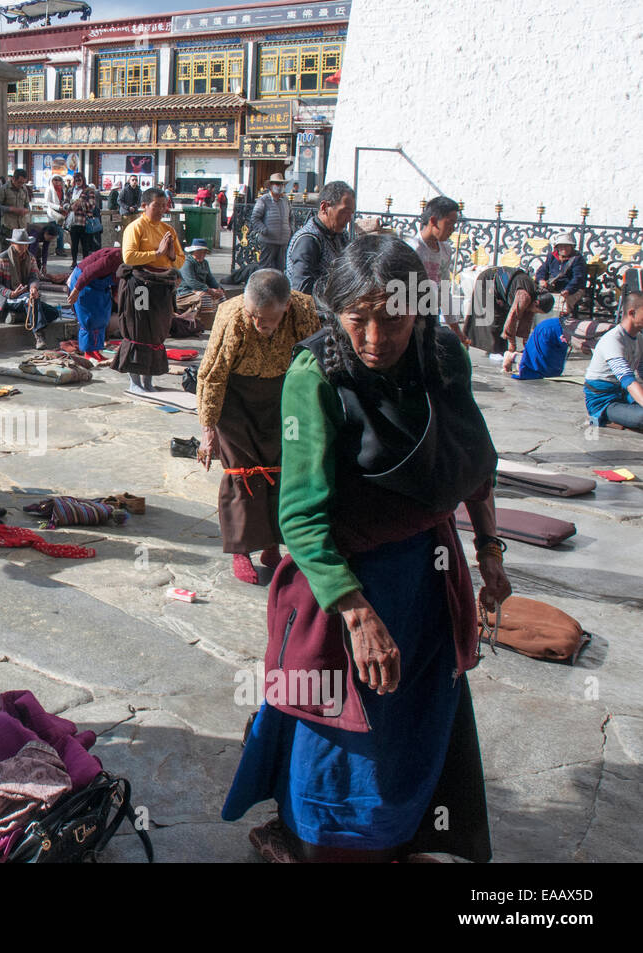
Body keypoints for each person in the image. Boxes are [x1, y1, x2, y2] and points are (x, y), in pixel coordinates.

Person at [222, 234, 510, 863]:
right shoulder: (314, 375)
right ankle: (315, 841)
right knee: (338, 727)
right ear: (336, 314)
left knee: (415, 715)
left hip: (427, 576)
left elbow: (471, 460)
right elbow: (298, 517)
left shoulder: (443, 356)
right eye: (359, 320)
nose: (376, 338)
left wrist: (489, 547)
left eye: (393, 320)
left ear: (420, 310)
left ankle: (403, 835)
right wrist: (355, 613)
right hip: (342, 578)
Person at [196, 269, 320, 583]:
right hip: (235, 399)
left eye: (265, 319)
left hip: (282, 394)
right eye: (252, 315)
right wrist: (208, 431)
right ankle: (241, 549)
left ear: (286, 308)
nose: (256, 324)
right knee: (243, 472)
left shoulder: (304, 312)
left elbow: (317, 362)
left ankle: (271, 545)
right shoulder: (233, 315)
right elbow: (212, 375)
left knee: (279, 468)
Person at [117, 187, 185, 393]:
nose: (162, 210)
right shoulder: (135, 228)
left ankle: (148, 380)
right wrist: (157, 253)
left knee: (157, 331)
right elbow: (129, 258)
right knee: (138, 328)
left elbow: (180, 261)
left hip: (161, 287)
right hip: (140, 286)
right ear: (144, 205)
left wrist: (171, 255)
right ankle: (134, 381)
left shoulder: (168, 230)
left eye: (165, 206)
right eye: (157, 205)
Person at [467, 265, 555, 371]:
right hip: (488, 280)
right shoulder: (524, 297)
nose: (535, 312)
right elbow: (512, 319)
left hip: (500, 289)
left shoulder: (533, 297)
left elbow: (527, 321)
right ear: (537, 303)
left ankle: (499, 350)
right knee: (493, 319)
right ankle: (493, 350)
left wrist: (526, 346)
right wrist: (512, 345)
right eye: (538, 311)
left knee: (502, 316)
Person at [0, 228, 61, 350]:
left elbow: (34, 277)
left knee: (54, 313)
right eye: (20, 245)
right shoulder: (1, 258)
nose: (24, 248)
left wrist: (33, 288)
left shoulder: (31, 258)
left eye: (26, 245)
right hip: (8, 297)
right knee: (31, 301)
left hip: (25, 294)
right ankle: (39, 335)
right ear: (12, 244)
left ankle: (20, 317)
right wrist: (11, 293)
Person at [584, 292, 643, 430]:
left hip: (624, 394)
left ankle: (624, 417)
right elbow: (627, 379)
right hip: (604, 401)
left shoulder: (639, 339)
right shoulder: (613, 340)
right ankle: (601, 418)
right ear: (632, 313)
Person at [286, 179, 355, 295]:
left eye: (351, 213)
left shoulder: (340, 235)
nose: (349, 219)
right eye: (344, 212)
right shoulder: (308, 240)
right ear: (324, 207)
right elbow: (302, 290)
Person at [413, 196, 465, 344]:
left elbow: (444, 290)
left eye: (455, 224)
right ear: (434, 221)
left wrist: (456, 330)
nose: (453, 229)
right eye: (450, 223)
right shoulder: (414, 249)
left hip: (432, 316)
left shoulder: (445, 250)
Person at [66, 246, 123, 361]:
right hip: (83, 282)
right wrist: (76, 290)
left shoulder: (133, 264)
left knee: (102, 316)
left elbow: (118, 278)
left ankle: (96, 350)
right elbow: (89, 271)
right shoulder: (115, 257)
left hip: (101, 285)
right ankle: (88, 352)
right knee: (89, 319)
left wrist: (116, 295)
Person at [176, 238, 226, 328]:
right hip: (185, 292)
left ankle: (224, 321)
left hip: (200, 289)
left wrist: (218, 288)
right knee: (205, 296)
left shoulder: (205, 263)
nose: (202, 255)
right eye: (199, 252)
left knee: (221, 296)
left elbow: (210, 279)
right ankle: (207, 324)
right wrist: (209, 290)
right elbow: (191, 282)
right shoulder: (187, 263)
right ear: (194, 251)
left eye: (204, 252)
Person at [536, 232, 588, 317]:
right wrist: (541, 280)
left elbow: (578, 278)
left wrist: (568, 289)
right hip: (554, 287)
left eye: (567, 246)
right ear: (557, 247)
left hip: (573, 288)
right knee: (539, 299)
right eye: (561, 246)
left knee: (564, 303)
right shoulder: (552, 256)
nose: (564, 248)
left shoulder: (577, 259)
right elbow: (542, 270)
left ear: (571, 247)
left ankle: (563, 322)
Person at [250, 172, 292, 271]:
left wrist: (291, 229)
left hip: (283, 241)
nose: (279, 186)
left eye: (281, 184)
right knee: (265, 268)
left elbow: (291, 217)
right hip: (268, 240)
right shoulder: (264, 200)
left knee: (281, 269)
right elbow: (255, 218)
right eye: (277, 184)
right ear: (271, 186)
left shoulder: (285, 200)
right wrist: (264, 230)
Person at [512, 314, 570, 381]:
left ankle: (518, 358)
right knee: (541, 369)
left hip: (556, 330)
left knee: (554, 371)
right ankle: (514, 357)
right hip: (549, 330)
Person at [64, 172, 99, 269]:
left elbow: (92, 205)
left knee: (85, 244)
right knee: (74, 243)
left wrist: (80, 204)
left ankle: (85, 262)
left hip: (84, 221)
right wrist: (71, 206)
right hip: (73, 221)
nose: (78, 182)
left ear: (83, 180)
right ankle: (74, 262)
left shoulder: (89, 190)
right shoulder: (70, 190)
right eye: (76, 180)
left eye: (79, 180)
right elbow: (65, 203)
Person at [0, 168, 33, 251]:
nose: (21, 185)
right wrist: (11, 209)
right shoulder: (3, 189)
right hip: (8, 226)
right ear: (13, 179)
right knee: (8, 251)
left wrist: (26, 210)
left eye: (23, 183)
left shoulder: (24, 189)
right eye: (19, 182)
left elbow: (27, 205)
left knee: (21, 251)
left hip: (21, 227)